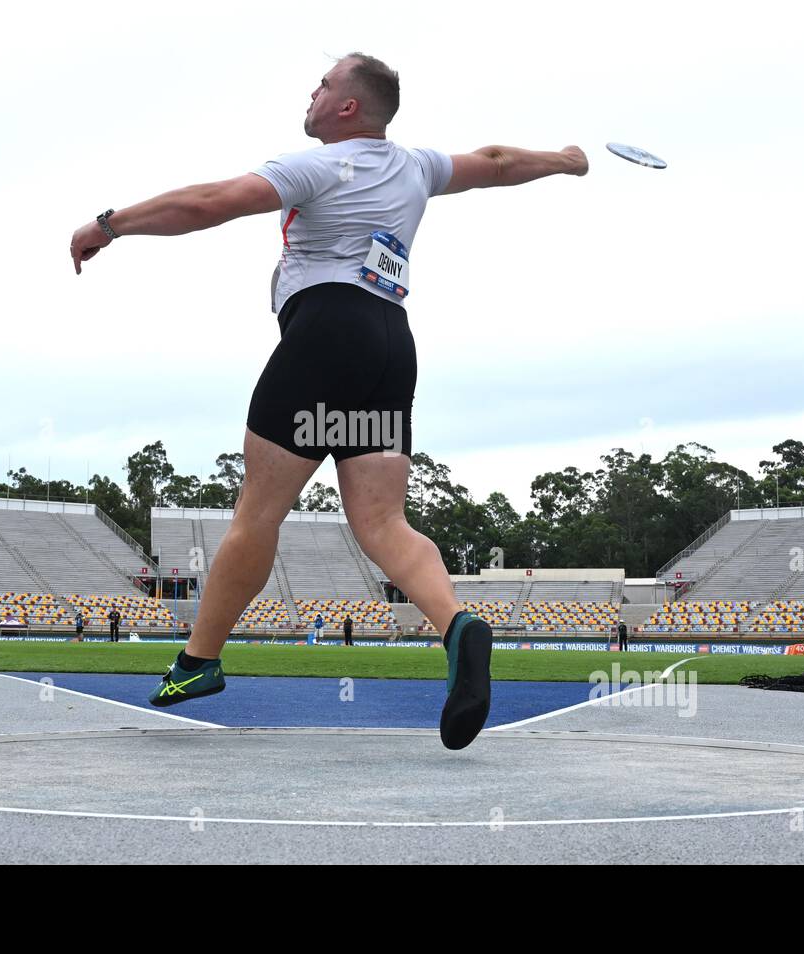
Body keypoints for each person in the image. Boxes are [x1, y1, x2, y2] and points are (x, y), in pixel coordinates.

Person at [70, 52, 588, 749]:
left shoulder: (313, 167)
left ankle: (198, 662)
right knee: (382, 524)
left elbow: (206, 204)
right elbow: (496, 161)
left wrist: (110, 223)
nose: (310, 94)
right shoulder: (416, 166)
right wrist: (563, 159)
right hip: (388, 342)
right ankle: (458, 627)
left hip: (325, 332)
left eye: (322, 86)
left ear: (348, 108)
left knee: (258, 511)